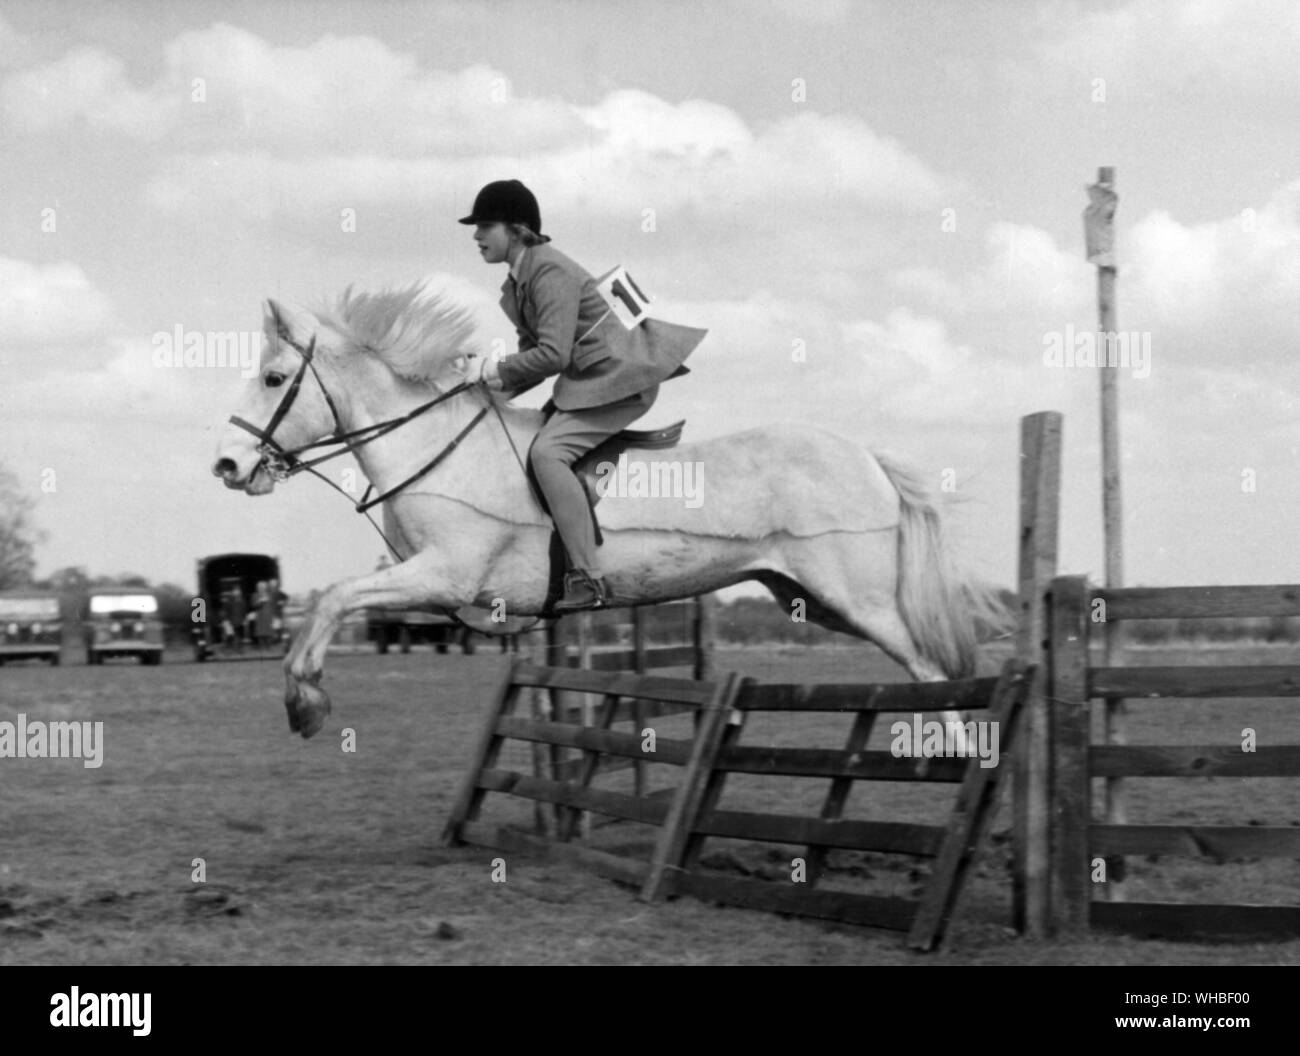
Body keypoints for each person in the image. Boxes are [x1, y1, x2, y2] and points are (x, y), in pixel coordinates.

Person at [460, 179, 707, 612]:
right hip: (588, 379)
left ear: (517, 230)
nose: (476, 235)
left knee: (547, 455)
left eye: (485, 225)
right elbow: (532, 358)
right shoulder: (517, 282)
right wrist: (488, 387)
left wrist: (494, 369)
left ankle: (588, 578)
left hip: (618, 379)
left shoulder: (548, 271)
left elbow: (552, 355)